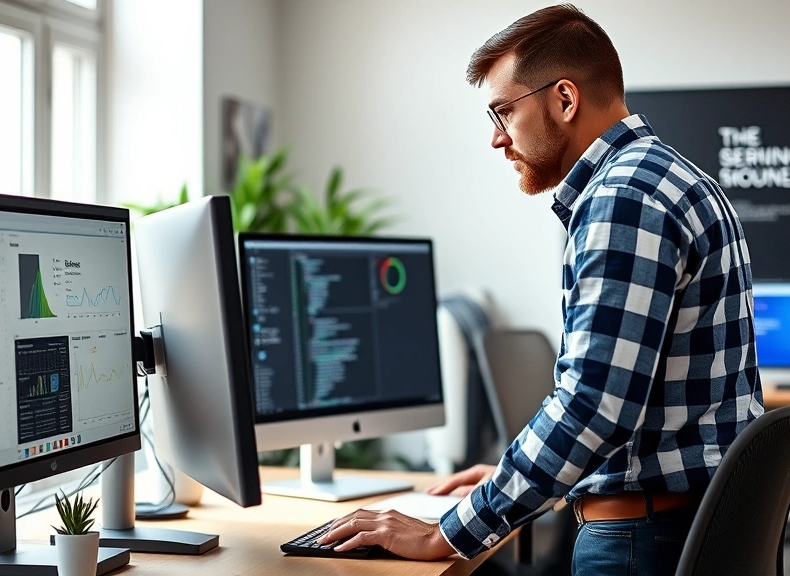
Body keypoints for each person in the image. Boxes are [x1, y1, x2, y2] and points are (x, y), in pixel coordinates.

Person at [318, 5, 763, 574]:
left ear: (565, 99)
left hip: (641, 540)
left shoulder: (624, 199)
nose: (496, 140)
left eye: (502, 112)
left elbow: (595, 407)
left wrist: (453, 532)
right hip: (684, 523)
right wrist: (506, 484)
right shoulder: (672, 177)